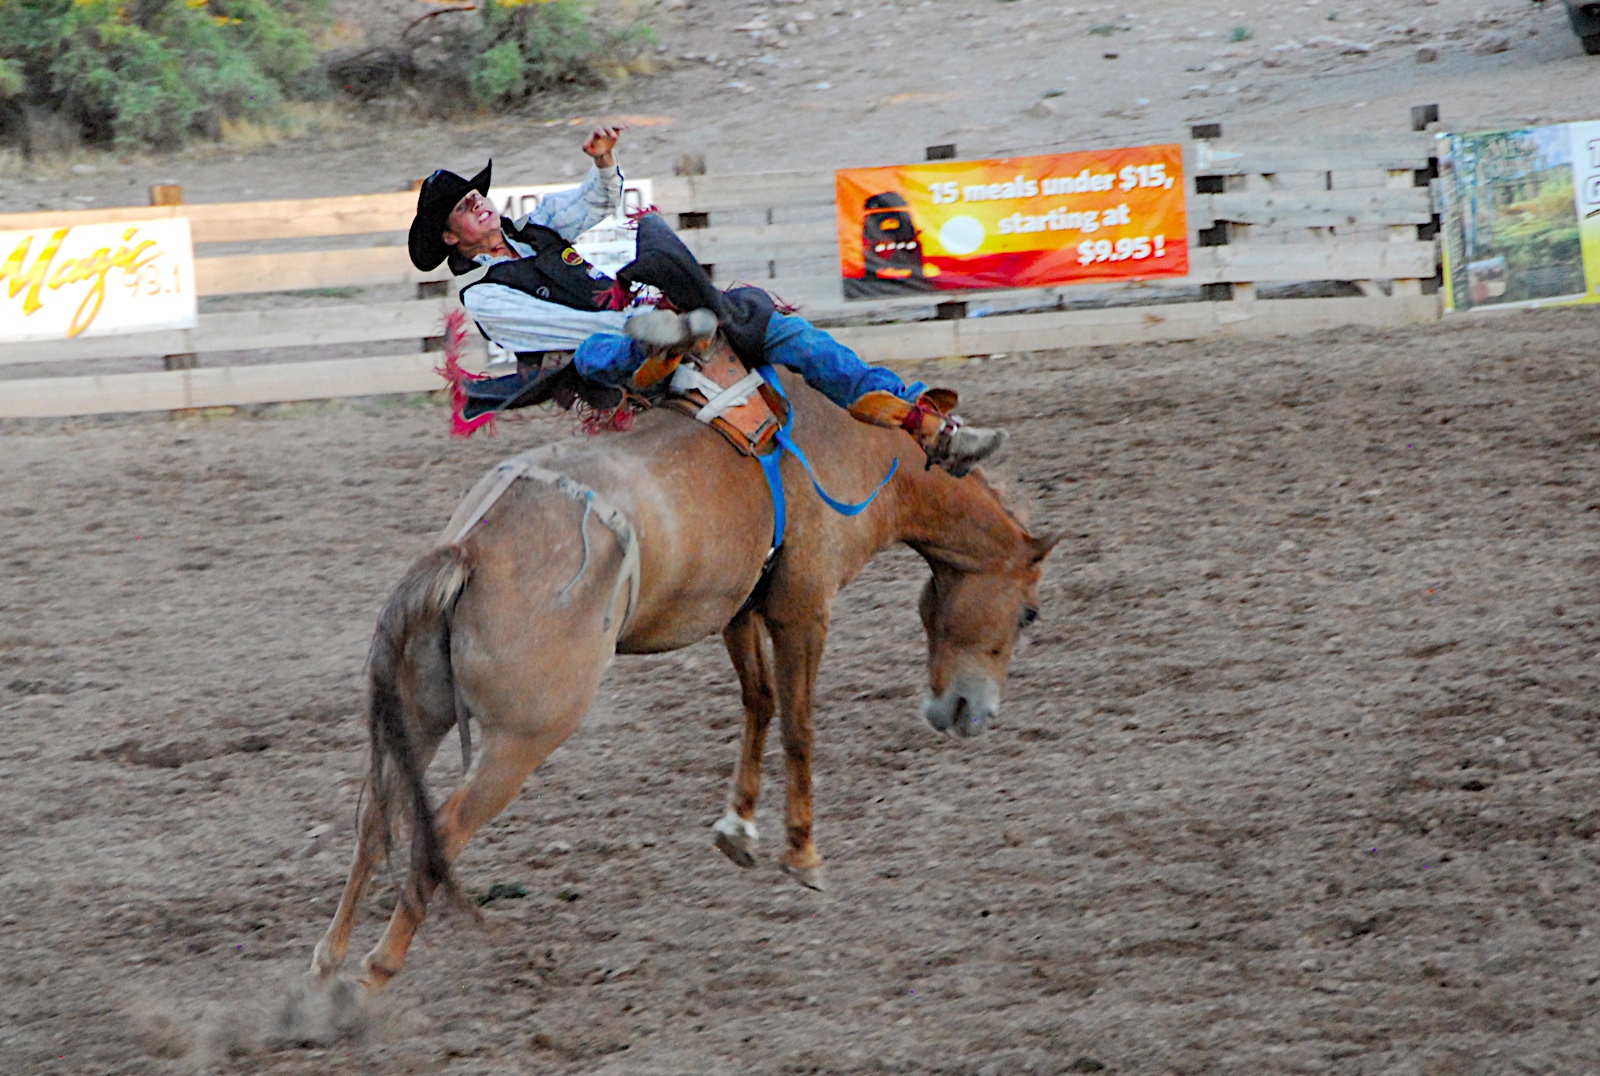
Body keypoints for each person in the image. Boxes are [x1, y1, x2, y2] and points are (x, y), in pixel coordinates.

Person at [406, 126, 1006, 475]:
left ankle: (925, 425)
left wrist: (604, 161)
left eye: (473, 195)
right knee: (591, 351)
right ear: (451, 239)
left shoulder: (536, 225)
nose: (477, 203)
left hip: (660, 311)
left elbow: (592, 201)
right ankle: (665, 345)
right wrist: (647, 318)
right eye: (462, 207)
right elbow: (560, 323)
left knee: (792, 335)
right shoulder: (487, 296)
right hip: (613, 345)